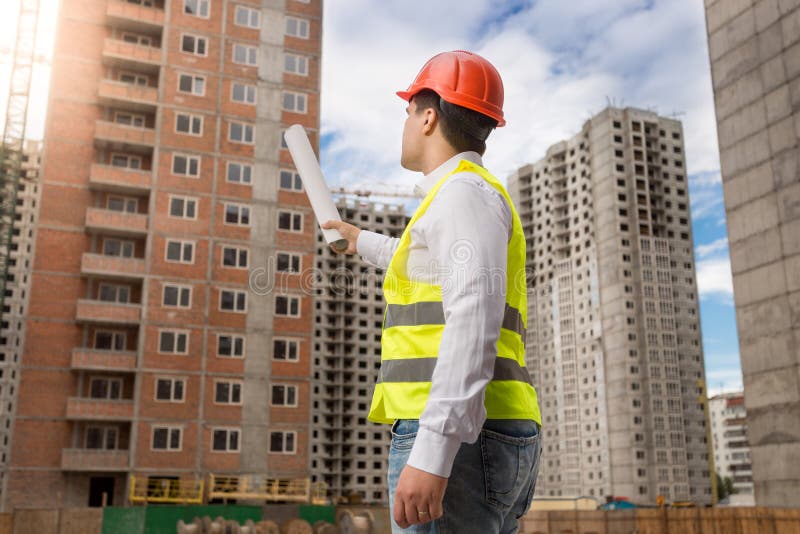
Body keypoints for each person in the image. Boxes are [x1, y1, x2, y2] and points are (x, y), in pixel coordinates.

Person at [323, 50, 542, 533]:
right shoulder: (464, 196)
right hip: (482, 432)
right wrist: (360, 241)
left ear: (428, 116)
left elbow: (471, 320)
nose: (404, 125)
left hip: (458, 436)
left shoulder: (463, 195)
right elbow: (424, 261)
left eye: (407, 112)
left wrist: (434, 450)